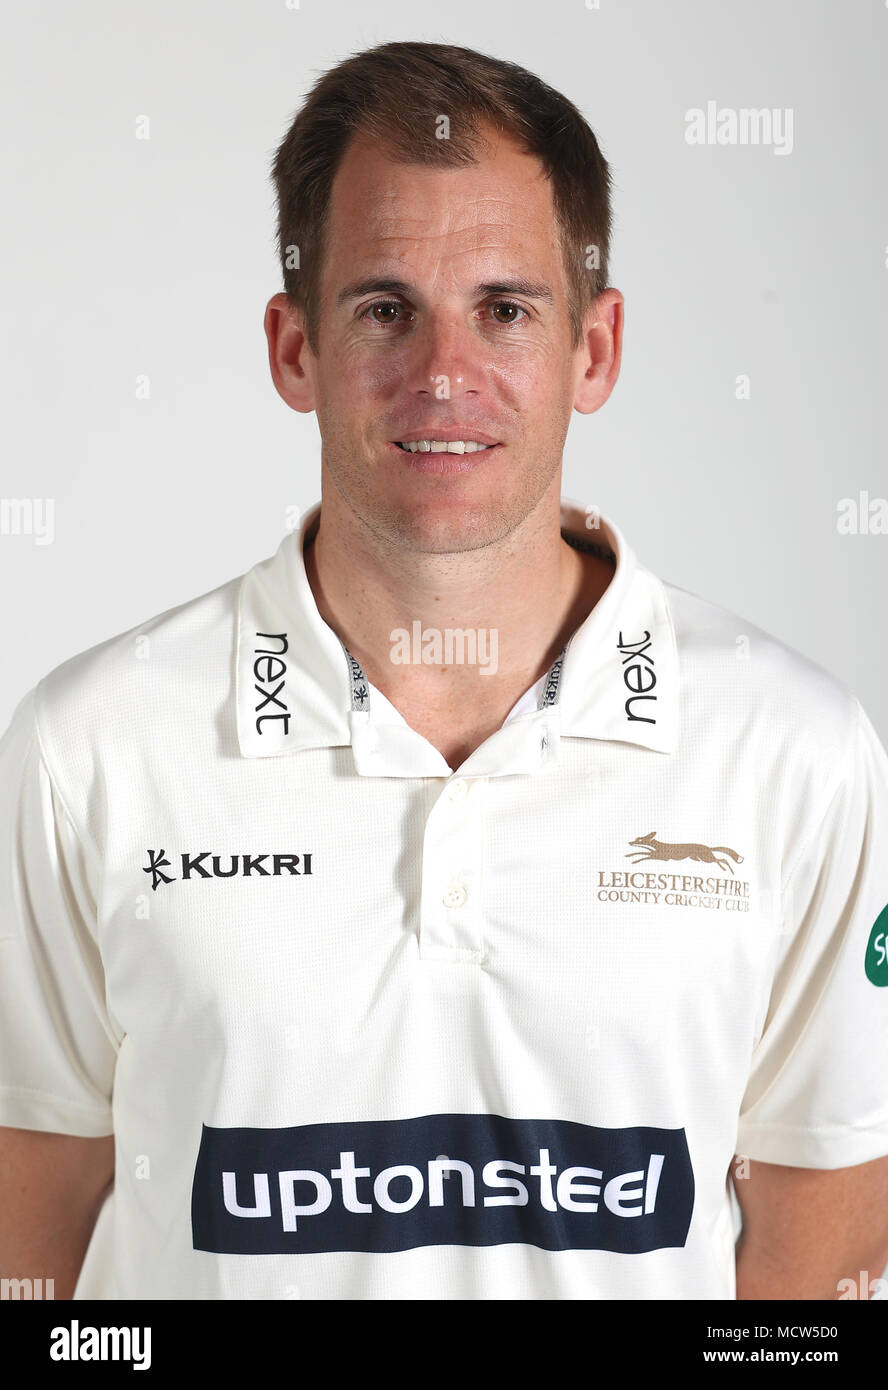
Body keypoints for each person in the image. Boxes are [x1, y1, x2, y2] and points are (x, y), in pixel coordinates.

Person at [1, 39, 887, 1303]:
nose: (443, 376)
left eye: (505, 309)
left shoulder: (795, 751)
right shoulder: (88, 751)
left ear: (594, 347)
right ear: (295, 347)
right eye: (383, 308)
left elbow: (823, 1247)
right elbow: (27, 1240)